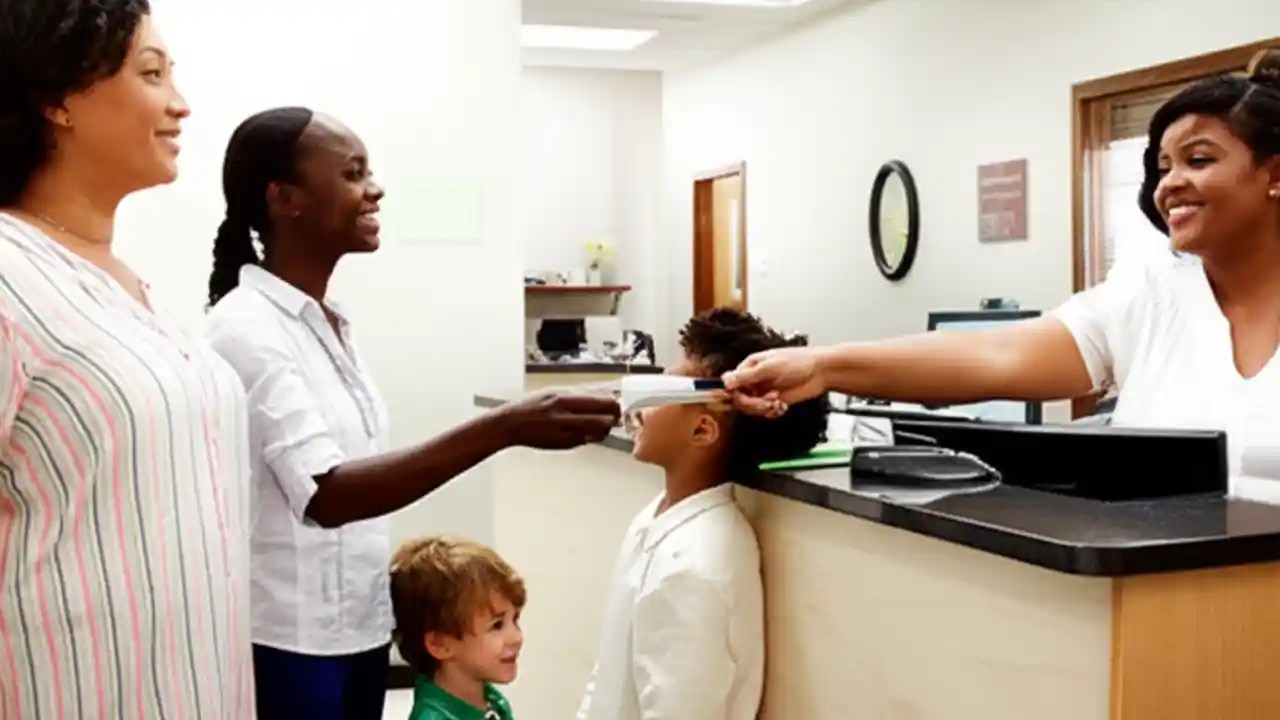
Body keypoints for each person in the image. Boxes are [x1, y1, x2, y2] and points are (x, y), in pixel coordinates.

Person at [204, 107, 620, 719]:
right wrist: (504, 427)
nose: (375, 189)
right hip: (290, 644)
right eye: (352, 173)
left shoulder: (328, 323)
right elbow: (328, 495)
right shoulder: (245, 328)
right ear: (285, 198)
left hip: (358, 634)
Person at [724, 51, 1280, 496]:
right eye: (1163, 166)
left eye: (1199, 161)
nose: (1169, 184)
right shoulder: (1151, 293)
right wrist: (824, 367)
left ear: (1274, 173)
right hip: (1180, 600)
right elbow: (994, 357)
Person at [0, 2, 256, 717]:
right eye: (151, 74)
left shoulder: (119, 280)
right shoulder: (9, 274)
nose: (180, 104)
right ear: (57, 97)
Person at [577, 308, 828, 720]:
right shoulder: (653, 520)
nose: (638, 403)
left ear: (702, 431)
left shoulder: (696, 567)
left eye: (660, 391)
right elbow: (607, 675)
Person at [389, 535, 524, 720]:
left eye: (515, 620)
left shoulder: (492, 701)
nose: (516, 637)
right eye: (496, 626)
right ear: (440, 644)